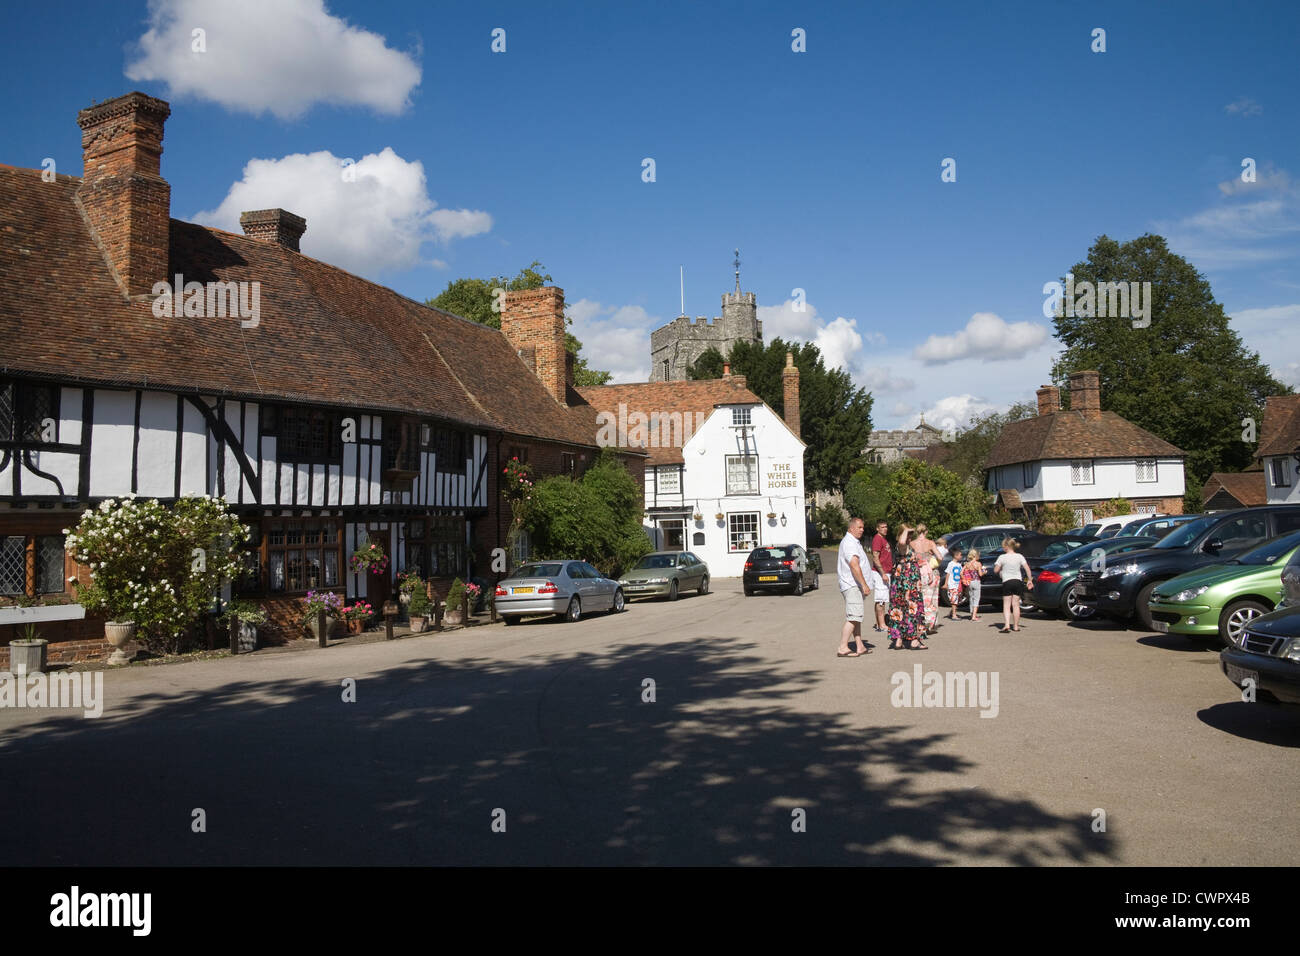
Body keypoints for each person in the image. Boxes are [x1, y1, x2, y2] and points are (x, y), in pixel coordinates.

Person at [836, 517, 874, 657]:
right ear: (851, 528)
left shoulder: (853, 542)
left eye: (863, 527)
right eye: (859, 527)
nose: (862, 530)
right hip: (852, 585)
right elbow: (854, 565)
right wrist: (864, 584)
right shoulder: (849, 543)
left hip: (853, 585)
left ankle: (859, 646)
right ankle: (843, 647)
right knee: (853, 616)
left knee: (856, 616)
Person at [887, 529, 928, 650]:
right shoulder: (901, 546)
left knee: (900, 609)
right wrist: (906, 530)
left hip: (904, 583)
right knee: (911, 609)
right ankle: (913, 640)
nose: (910, 537)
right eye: (908, 535)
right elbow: (902, 541)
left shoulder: (906, 548)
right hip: (907, 584)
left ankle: (899, 640)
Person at [993, 537, 1033, 633]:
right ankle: (1015, 626)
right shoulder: (1019, 556)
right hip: (1018, 582)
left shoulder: (1002, 557)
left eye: (1003, 546)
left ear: (1006, 547)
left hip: (1007, 582)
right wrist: (1030, 580)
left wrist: (1001, 571)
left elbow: (995, 570)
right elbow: (1027, 568)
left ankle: (1007, 625)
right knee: (1016, 605)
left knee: (1006, 605)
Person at [962, 549, 984, 621]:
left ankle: (972, 614)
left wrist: (964, 578)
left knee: (971, 598)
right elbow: (980, 574)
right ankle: (974, 616)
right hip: (976, 581)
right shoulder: (978, 564)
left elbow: (961, 572)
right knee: (976, 598)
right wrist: (985, 572)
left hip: (969, 582)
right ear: (976, 555)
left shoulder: (967, 564)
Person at [944, 547, 964, 620]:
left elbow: (961, 573)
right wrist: (946, 584)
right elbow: (948, 574)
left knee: (957, 600)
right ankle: (954, 615)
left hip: (957, 584)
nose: (961, 556)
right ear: (955, 556)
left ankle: (953, 612)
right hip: (952, 584)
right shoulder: (951, 564)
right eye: (960, 555)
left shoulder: (959, 564)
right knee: (954, 600)